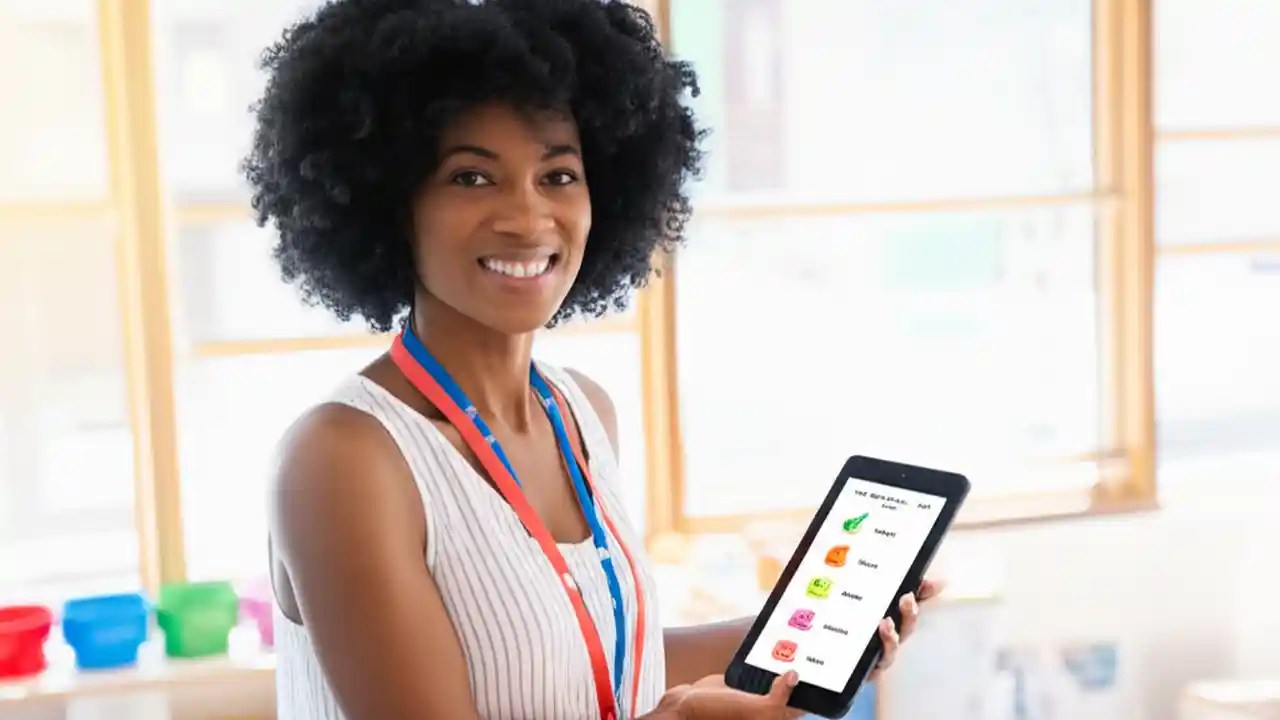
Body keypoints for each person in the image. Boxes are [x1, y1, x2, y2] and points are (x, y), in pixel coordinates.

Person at [245, 1, 941, 718]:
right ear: (391, 202)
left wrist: (808, 644)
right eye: (472, 178)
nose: (526, 216)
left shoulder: (582, 412)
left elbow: (597, 660)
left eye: (558, 175)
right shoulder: (344, 460)